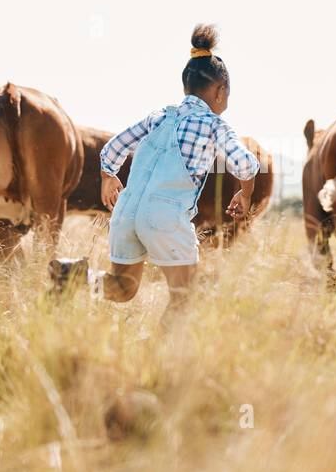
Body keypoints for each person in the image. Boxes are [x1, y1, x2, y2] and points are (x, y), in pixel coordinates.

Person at [48, 23, 260, 316]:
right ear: (221, 92)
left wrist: (109, 177)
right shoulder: (214, 124)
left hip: (126, 213)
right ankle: (160, 355)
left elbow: (113, 148)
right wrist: (245, 194)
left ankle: (75, 278)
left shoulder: (159, 116)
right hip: (166, 217)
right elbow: (246, 165)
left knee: (122, 288)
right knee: (184, 298)